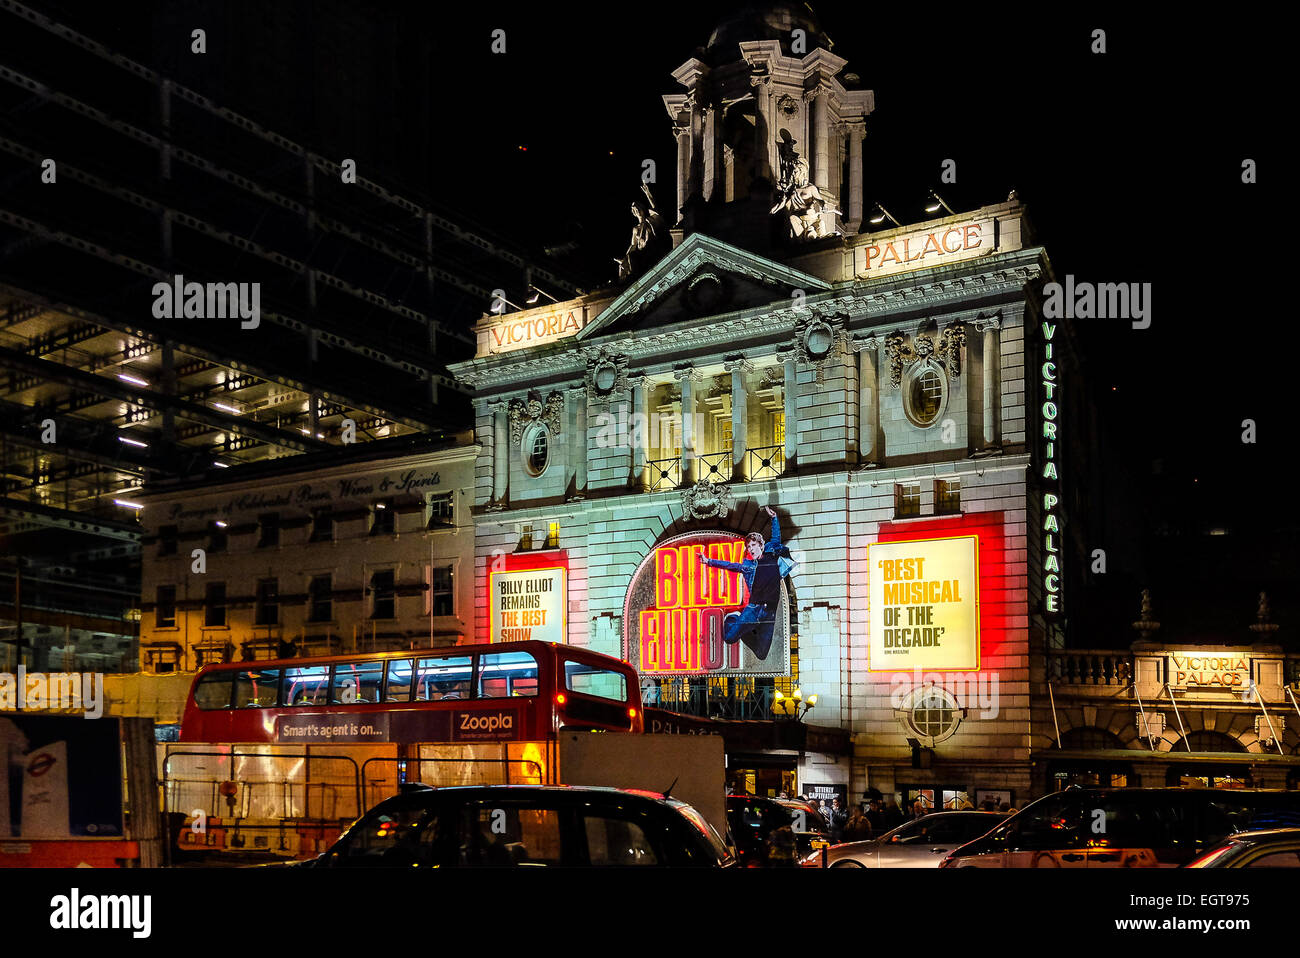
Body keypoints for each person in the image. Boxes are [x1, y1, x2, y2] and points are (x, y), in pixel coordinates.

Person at [699, 506, 797, 660]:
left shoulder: (771, 553)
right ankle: (733, 617)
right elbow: (730, 565)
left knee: (761, 654)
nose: (751, 549)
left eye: (753, 545)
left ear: (761, 545)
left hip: (769, 612)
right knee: (729, 638)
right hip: (753, 609)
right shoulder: (748, 567)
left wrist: (774, 518)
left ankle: (744, 628)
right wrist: (708, 561)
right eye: (748, 547)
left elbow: (776, 537)